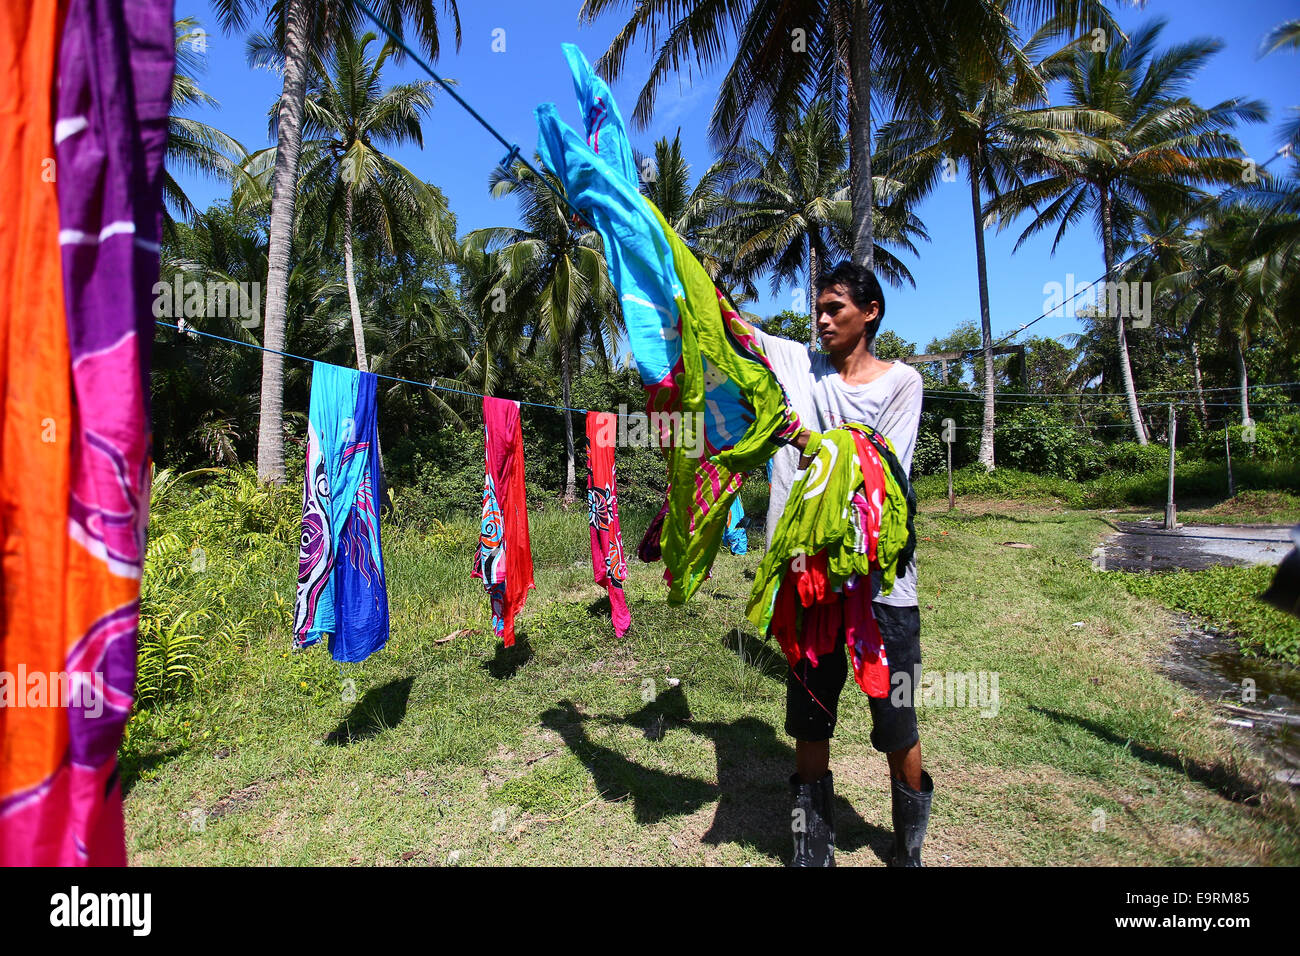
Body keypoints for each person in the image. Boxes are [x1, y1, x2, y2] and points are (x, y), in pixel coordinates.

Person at [738, 260, 932, 867]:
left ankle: (907, 848)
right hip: (808, 579)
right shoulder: (800, 366)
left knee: (896, 719)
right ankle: (809, 847)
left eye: (835, 310)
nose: (821, 320)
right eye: (817, 310)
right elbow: (736, 330)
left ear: (869, 313)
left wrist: (805, 440)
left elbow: (878, 470)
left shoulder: (902, 383)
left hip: (881, 585)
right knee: (809, 720)